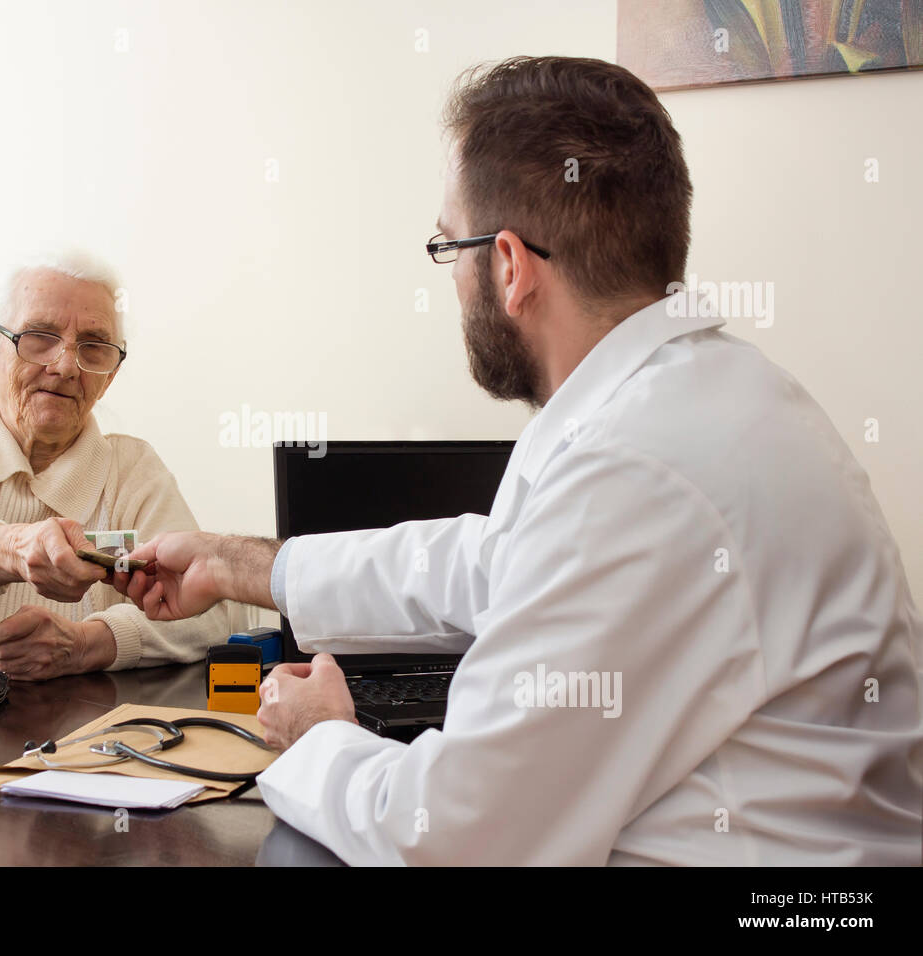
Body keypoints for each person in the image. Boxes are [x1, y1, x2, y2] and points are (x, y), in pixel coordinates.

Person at [111, 56, 923, 865]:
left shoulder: (638, 467)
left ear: (507, 265)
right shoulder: (696, 397)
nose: (451, 279)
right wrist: (232, 564)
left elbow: (456, 838)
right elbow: (487, 564)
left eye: (446, 245)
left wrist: (320, 738)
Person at [0, 252, 232, 677]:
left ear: (108, 376)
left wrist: (86, 643)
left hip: (75, 732)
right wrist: (14, 548)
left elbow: (212, 615)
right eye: (39, 336)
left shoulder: (132, 470)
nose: (65, 366)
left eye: (93, 348)